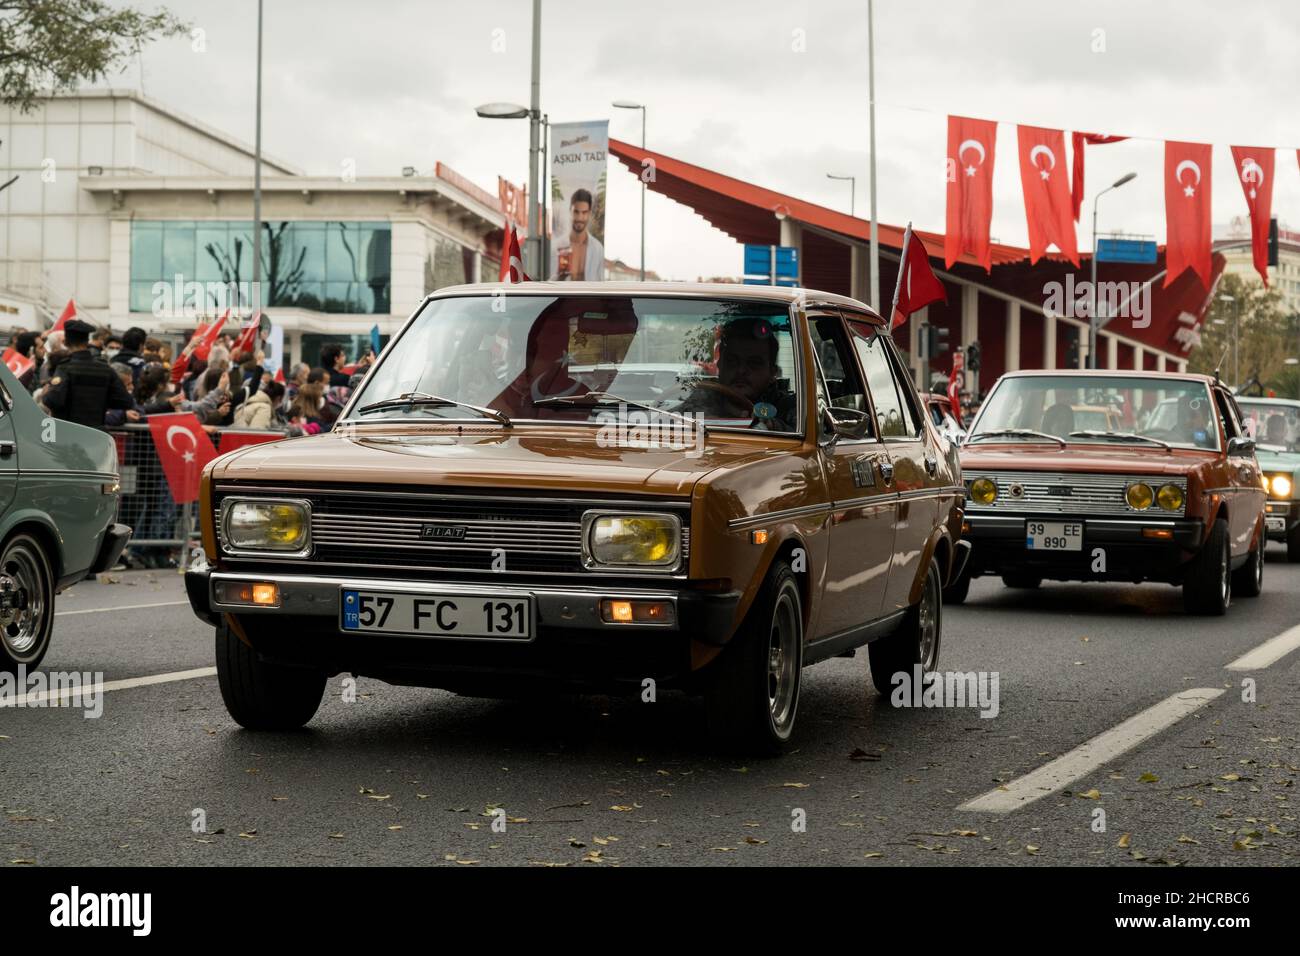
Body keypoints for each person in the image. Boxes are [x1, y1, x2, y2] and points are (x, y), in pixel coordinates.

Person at [676, 318, 795, 430]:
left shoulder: (787, 407)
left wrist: (772, 426)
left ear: (772, 372)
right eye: (732, 361)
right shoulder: (703, 397)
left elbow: (800, 439)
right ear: (720, 365)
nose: (741, 370)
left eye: (754, 363)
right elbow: (668, 420)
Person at [41, 320, 135, 429]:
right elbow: (126, 401)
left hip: (69, 433)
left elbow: (53, 400)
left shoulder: (65, 368)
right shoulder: (105, 369)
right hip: (97, 434)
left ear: (66, 342)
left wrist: (46, 395)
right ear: (87, 342)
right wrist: (102, 401)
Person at [550, 188, 605, 281]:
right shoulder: (556, 246)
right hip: (564, 295)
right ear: (570, 211)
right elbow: (547, 285)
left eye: (584, 213)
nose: (580, 218)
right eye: (576, 212)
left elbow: (601, 283)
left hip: (589, 295)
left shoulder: (598, 249)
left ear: (589, 213)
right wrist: (559, 277)